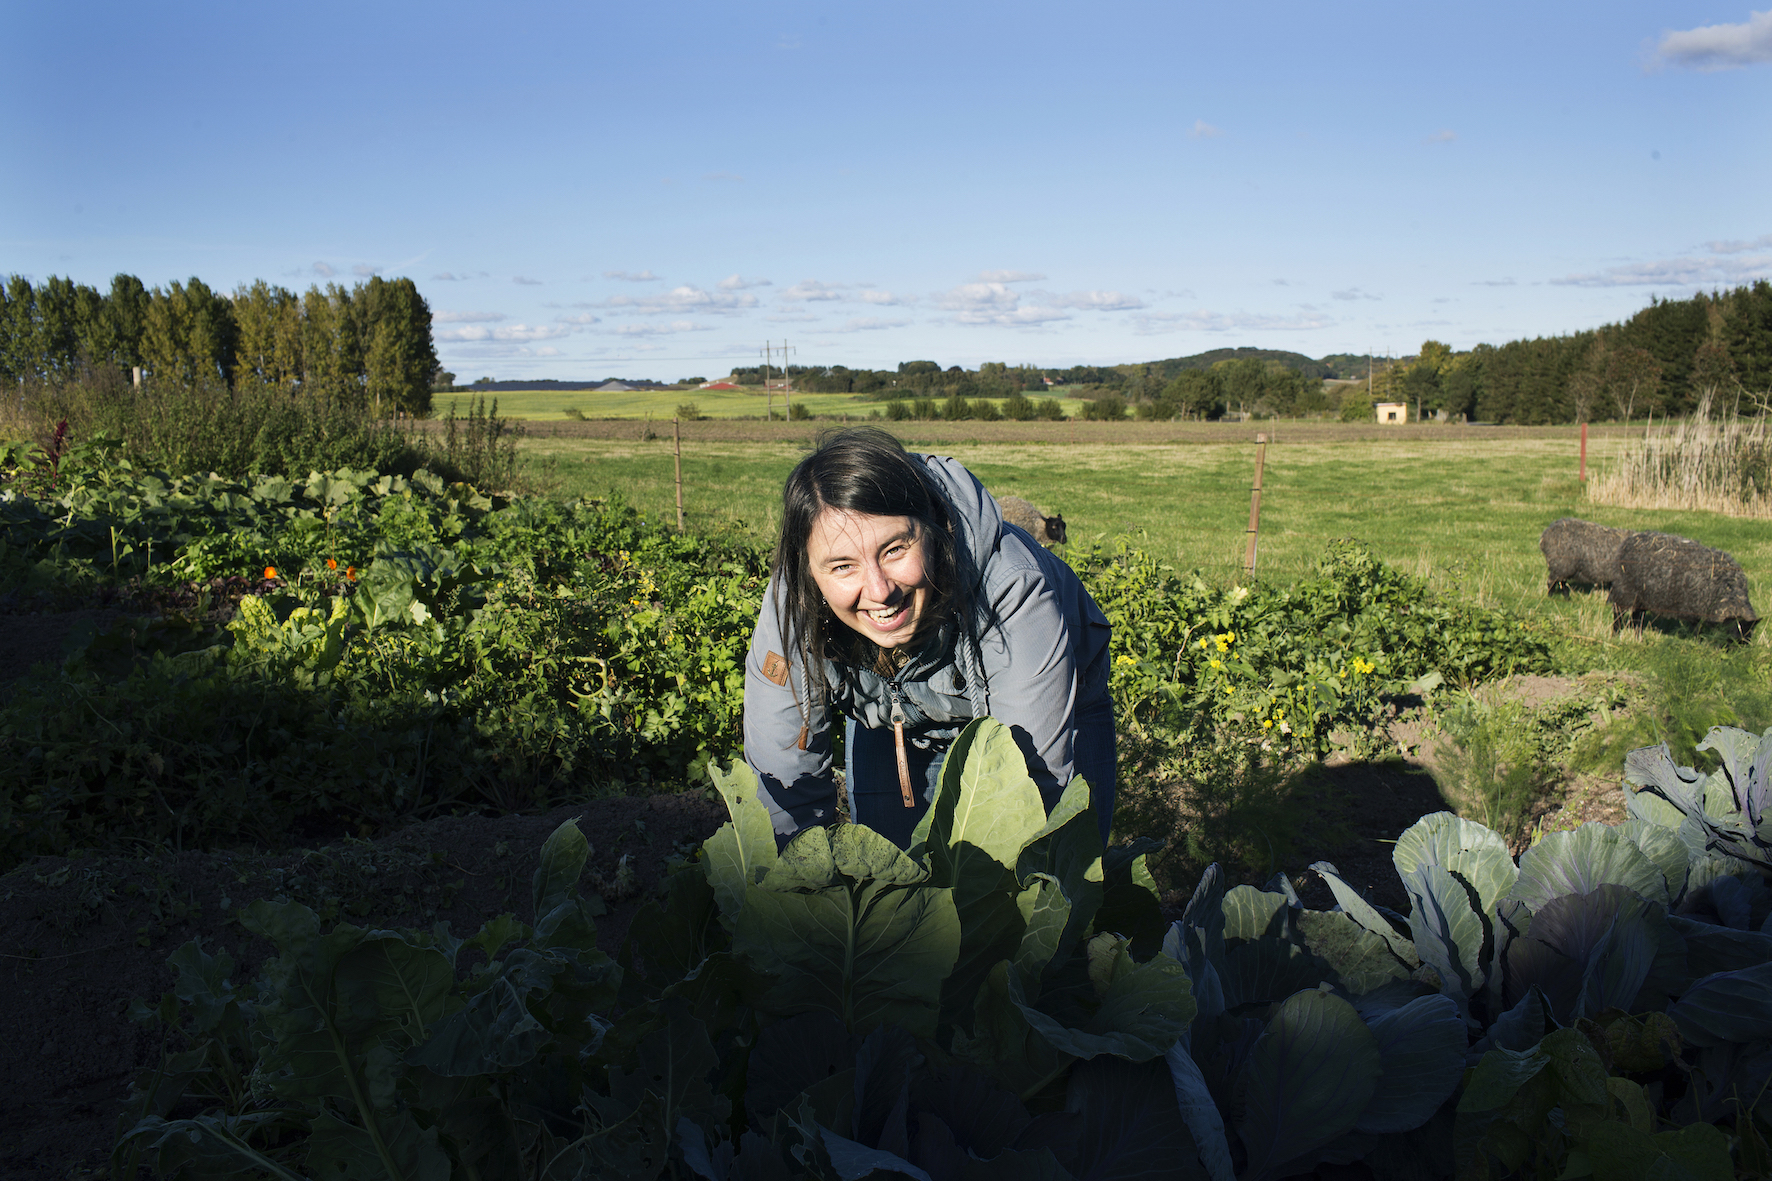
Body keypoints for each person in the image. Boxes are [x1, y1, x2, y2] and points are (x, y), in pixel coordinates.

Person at [743, 427, 1114, 849]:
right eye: (843, 566)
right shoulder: (793, 605)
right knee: (891, 887)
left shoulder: (1008, 584)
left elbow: (1027, 789)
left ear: (933, 528)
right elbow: (783, 776)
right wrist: (797, 885)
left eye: (895, 549)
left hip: (1043, 710)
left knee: (1047, 864)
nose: (880, 591)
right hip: (891, 721)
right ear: (807, 569)